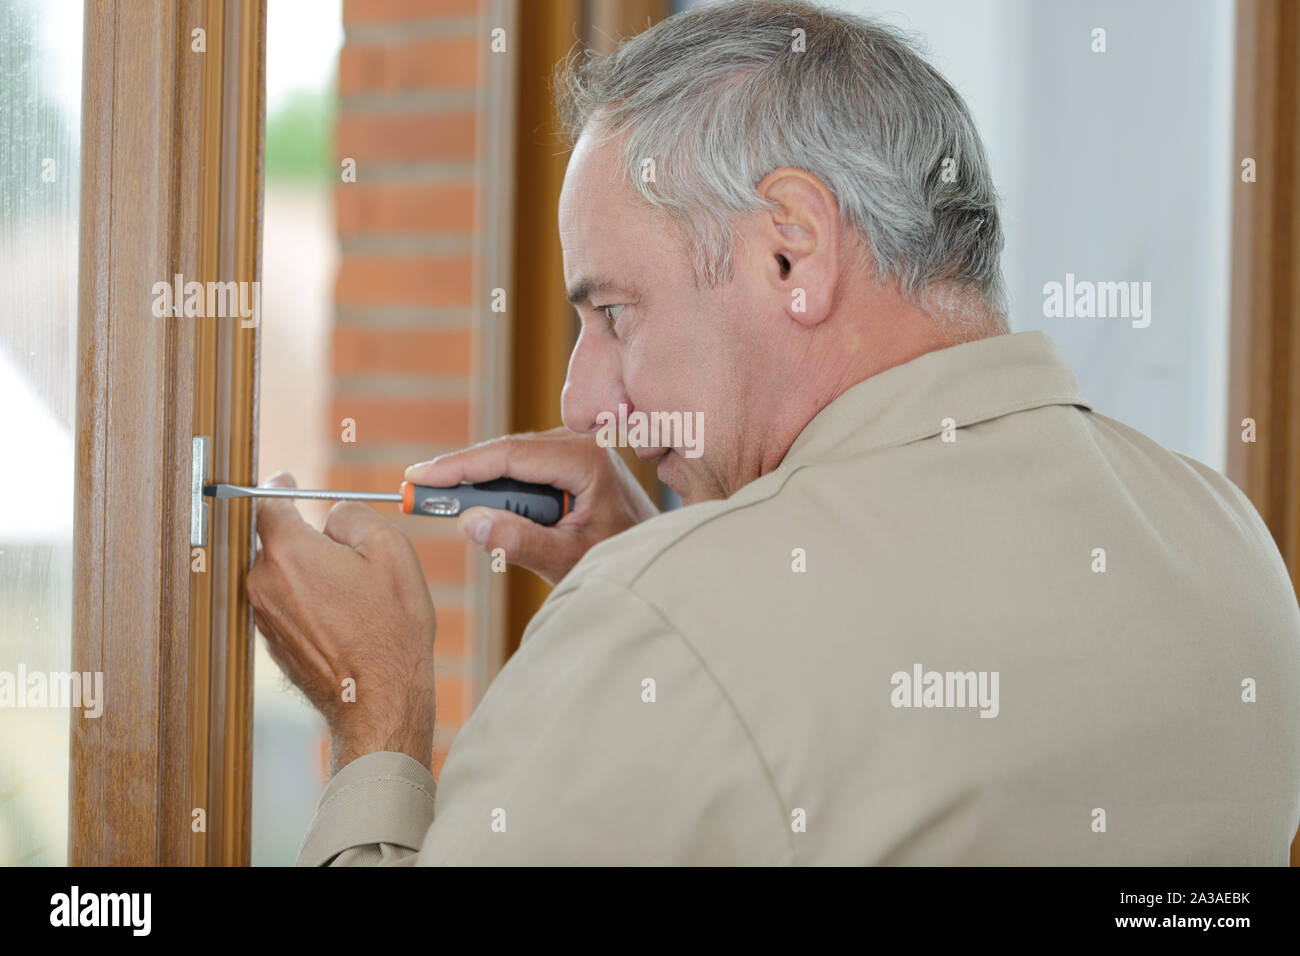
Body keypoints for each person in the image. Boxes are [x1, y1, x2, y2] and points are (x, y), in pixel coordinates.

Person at [247, 0, 1300, 865]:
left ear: (792, 254)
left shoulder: (666, 619)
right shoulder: (1229, 549)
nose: (581, 402)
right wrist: (667, 596)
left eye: (613, 311)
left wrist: (371, 715)